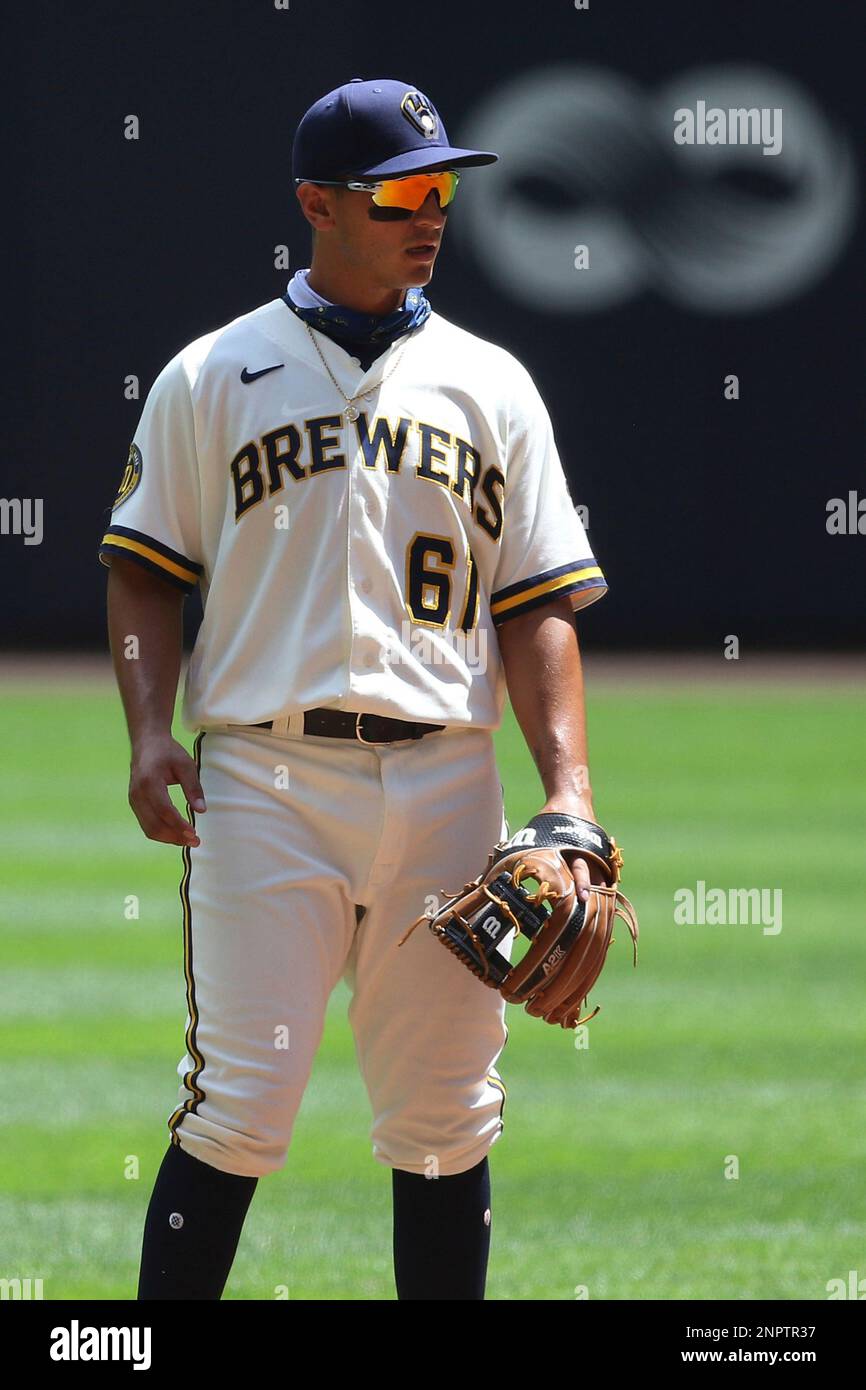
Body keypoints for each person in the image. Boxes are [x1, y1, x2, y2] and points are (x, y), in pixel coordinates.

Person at [100, 77, 608, 1301]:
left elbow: (534, 601)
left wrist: (568, 794)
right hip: (267, 785)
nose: (430, 214)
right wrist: (146, 732)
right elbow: (139, 571)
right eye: (401, 194)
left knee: (445, 1119)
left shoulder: (491, 383)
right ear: (315, 206)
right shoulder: (213, 375)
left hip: (445, 781)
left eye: (442, 190)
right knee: (238, 1108)